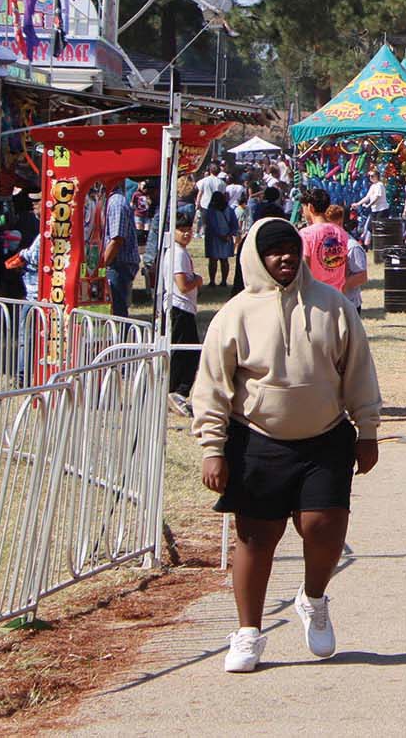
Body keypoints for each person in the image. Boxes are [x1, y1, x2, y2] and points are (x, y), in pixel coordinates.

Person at [192, 218, 382, 673]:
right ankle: (248, 633)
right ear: (256, 258)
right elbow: (212, 386)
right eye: (273, 251)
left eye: (290, 249)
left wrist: (368, 430)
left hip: (326, 438)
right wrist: (212, 447)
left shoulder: (333, 306)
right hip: (257, 440)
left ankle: (314, 599)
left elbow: (358, 371)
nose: (285, 258)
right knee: (256, 538)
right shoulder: (234, 314)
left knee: (324, 527)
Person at [159, 205, 203, 415]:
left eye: (188, 229)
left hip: (184, 308)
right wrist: (198, 280)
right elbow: (183, 284)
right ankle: (176, 391)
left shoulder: (180, 252)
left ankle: (177, 392)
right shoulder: (176, 254)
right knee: (186, 354)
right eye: (181, 229)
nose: (186, 233)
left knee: (186, 353)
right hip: (179, 308)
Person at [299, 191, 353, 293]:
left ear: (310, 207)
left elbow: (304, 268)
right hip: (337, 294)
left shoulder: (306, 234)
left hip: (315, 294)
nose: (303, 212)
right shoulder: (341, 232)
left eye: (303, 208)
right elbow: (345, 265)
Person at [103, 182, 141, 319]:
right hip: (116, 264)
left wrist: (101, 266)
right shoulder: (110, 200)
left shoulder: (116, 202)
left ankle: (122, 338)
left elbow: (117, 239)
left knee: (117, 312)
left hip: (118, 264)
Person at [202, 190, 240, 294]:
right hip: (226, 238)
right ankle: (223, 281)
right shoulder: (230, 210)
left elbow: (210, 225)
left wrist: (220, 235)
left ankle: (212, 281)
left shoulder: (210, 211)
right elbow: (235, 225)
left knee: (213, 261)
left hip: (214, 238)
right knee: (224, 260)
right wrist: (228, 235)